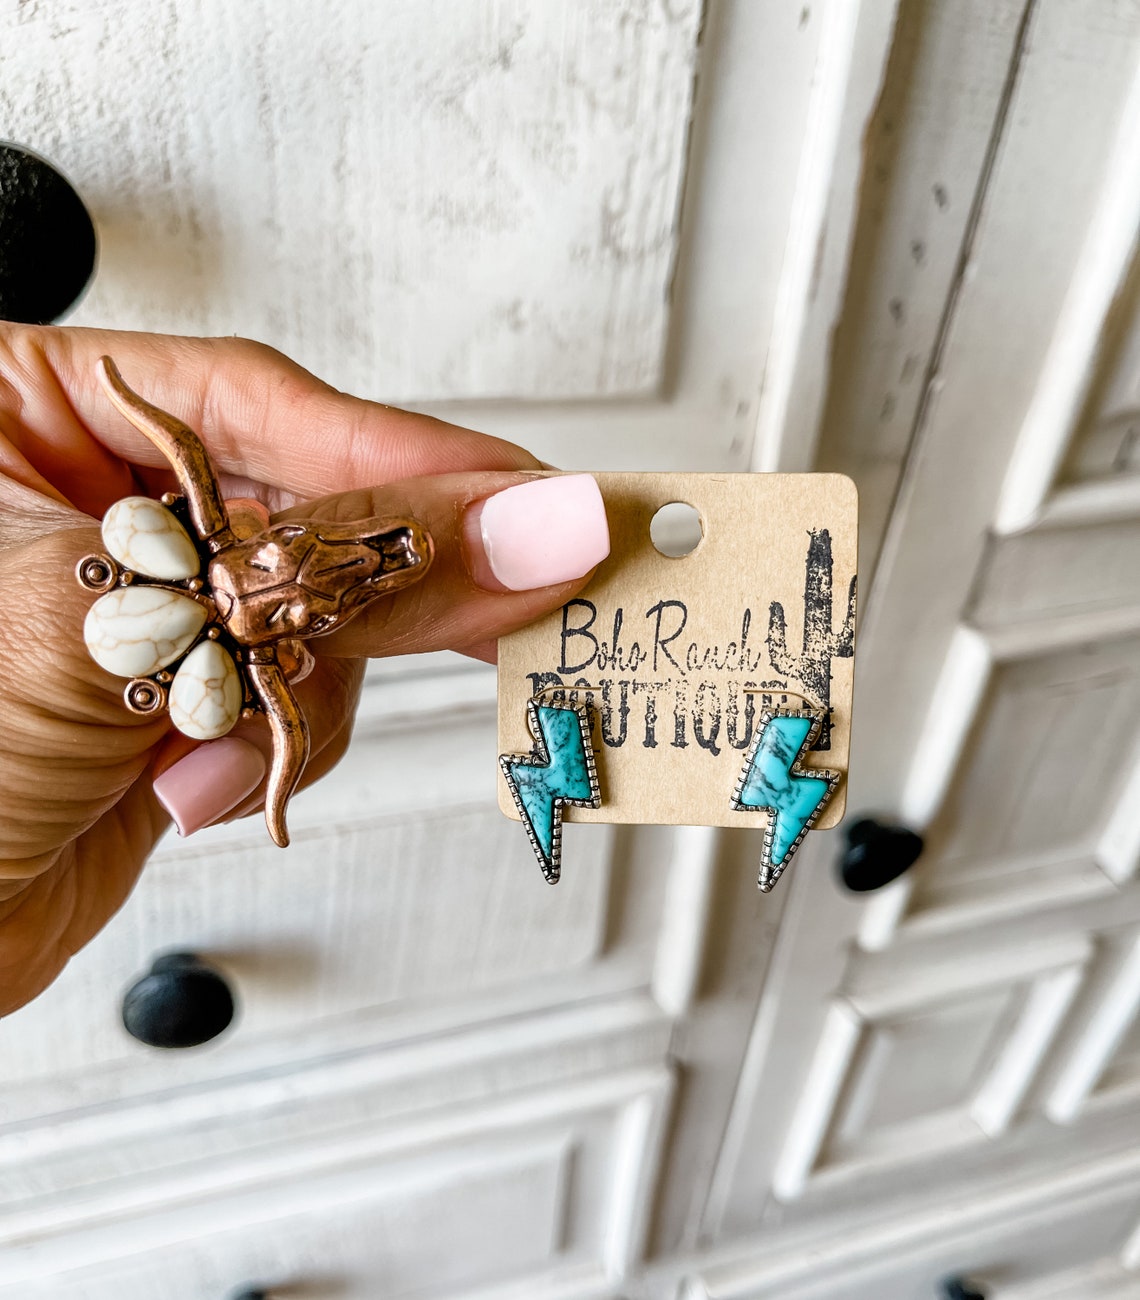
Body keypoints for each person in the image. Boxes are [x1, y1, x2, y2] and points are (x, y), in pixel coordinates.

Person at [0, 325, 610, 1015]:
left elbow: (185, 451)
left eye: (310, 619)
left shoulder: (243, 619)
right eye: (279, 552)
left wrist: (128, 401)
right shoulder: (255, 649)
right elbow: (284, 732)